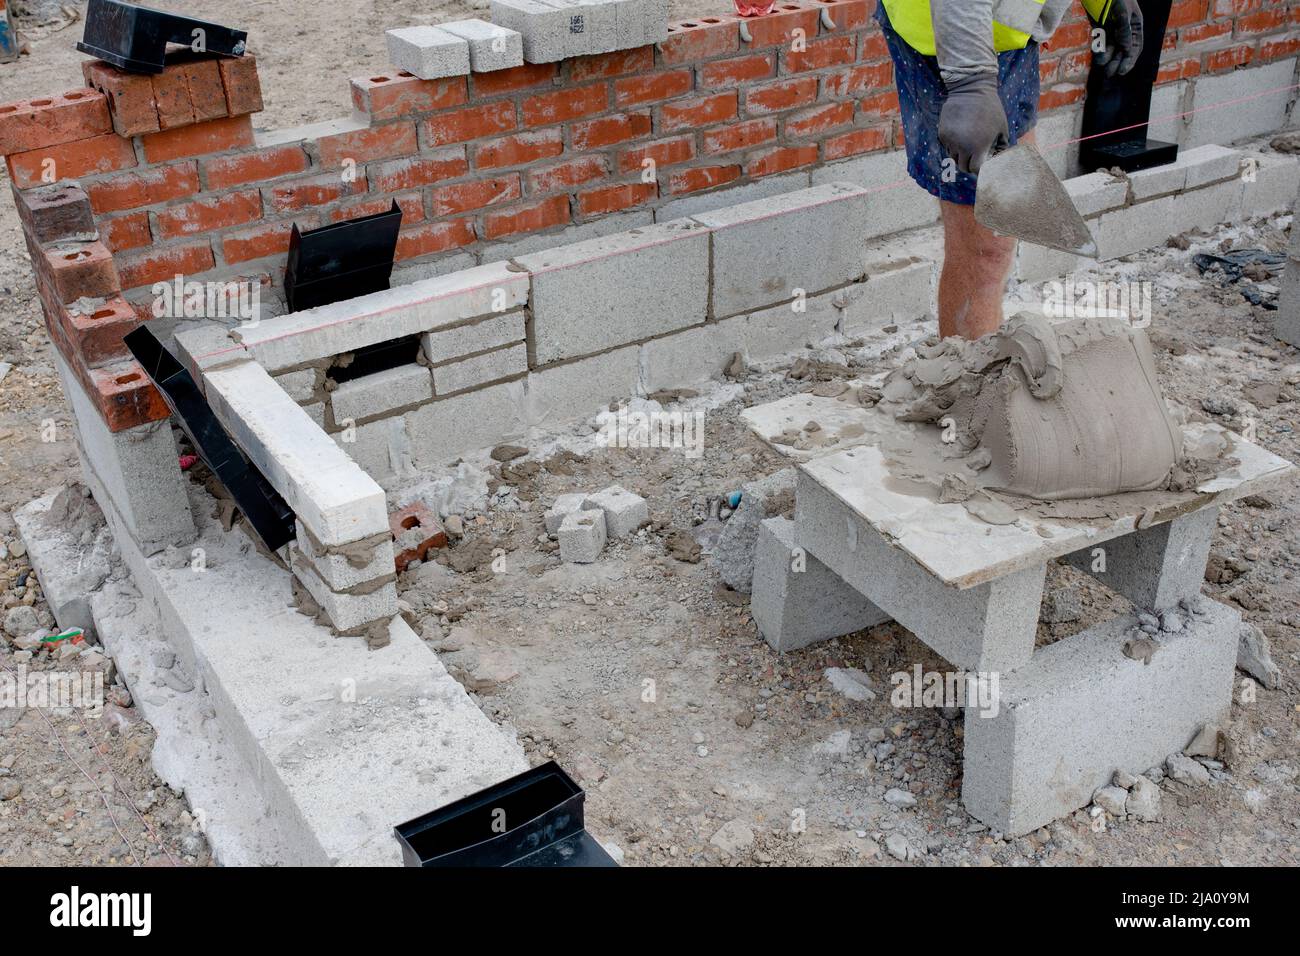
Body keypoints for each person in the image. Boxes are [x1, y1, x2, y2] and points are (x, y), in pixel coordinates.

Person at [875, 0, 1145, 340]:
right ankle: (969, 386)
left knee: (999, 239)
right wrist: (970, 82)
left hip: (1008, 30)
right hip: (952, 34)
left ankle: (979, 373)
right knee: (985, 250)